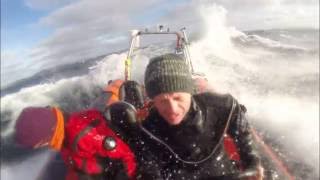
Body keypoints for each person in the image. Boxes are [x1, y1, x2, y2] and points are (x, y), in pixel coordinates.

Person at [122, 53, 264, 179]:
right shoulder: (149, 130)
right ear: (154, 101)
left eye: (178, 98)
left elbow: (244, 134)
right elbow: (150, 167)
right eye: (163, 101)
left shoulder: (221, 106)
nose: (172, 108)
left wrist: (252, 160)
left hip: (224, 171)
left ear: (190, 93)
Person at [14, 106, 137, 180]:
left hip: (110, 172)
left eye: (35, 143)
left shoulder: (85, 135)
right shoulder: (62, 137)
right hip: (90, 172)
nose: (35, 146)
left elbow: (126, 155)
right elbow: (75, 163)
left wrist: (128, 177)